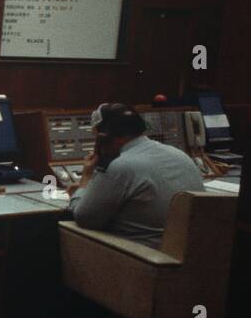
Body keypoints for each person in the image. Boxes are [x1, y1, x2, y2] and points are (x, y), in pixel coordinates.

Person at [66, 103, 205, 248]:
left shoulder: (121, 165)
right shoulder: (179, 154)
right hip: (187, 252)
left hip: (142, 258)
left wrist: (84, 183)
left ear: (105, 137)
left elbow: (85, 218)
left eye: (96, 137)